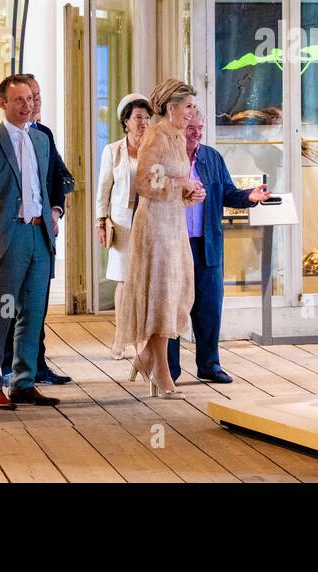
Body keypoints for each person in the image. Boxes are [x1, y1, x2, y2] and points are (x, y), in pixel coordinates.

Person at [0, 75, 61, 409]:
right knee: (4, 311)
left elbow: (46, 184)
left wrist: (52, 216)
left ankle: (23, 381)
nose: (27, 106)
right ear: (3, 103)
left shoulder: (40, 141)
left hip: (39, 237)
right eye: (19, 100)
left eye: (30, 99)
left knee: (33, 312)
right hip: (10, 239)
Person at [167, 113, 269, 384]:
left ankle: (209, 364)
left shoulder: (211, 157)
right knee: (173, 308)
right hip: (176, 246)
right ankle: (169, 370)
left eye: (200, 128)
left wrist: (250, 196)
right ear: (178, 127)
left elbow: (227, 193)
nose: (196, 133)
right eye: (190, 127)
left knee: (209, 307)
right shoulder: (167, 158)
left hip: (207, 244)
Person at [121, 79, 205, 398]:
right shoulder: (155, 135)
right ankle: (161, 372)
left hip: (173, 222)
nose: (191, 112)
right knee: (160, 294)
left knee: (172, 293)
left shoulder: (177, 136)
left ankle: (146, 359)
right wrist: (178, 185)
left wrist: (188, 194)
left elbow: (172, 179)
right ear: (171, 108)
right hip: (154, 226)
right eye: (188, 107)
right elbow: (144, 183)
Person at [0, 74, 74, 387]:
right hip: (12, 235)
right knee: (7, 304)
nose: (33, 102)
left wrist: (55, 210)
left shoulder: (43, 135)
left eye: (36, 96)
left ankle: (33, 368)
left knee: (35, 304)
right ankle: (4, 367)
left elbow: (57, 179)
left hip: (41, 232)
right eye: (27, 97)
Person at [97, 92, 151, 359]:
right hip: (123, 223)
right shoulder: (113, 151)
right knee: (124, 281)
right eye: (138, 117)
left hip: (150, 221)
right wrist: (100, 220)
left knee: (144, 282)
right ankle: (120, 337)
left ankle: (141, 339)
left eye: (147, 117)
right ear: (126, 121)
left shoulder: (155, 148)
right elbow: (104, 188)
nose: (144, 122)